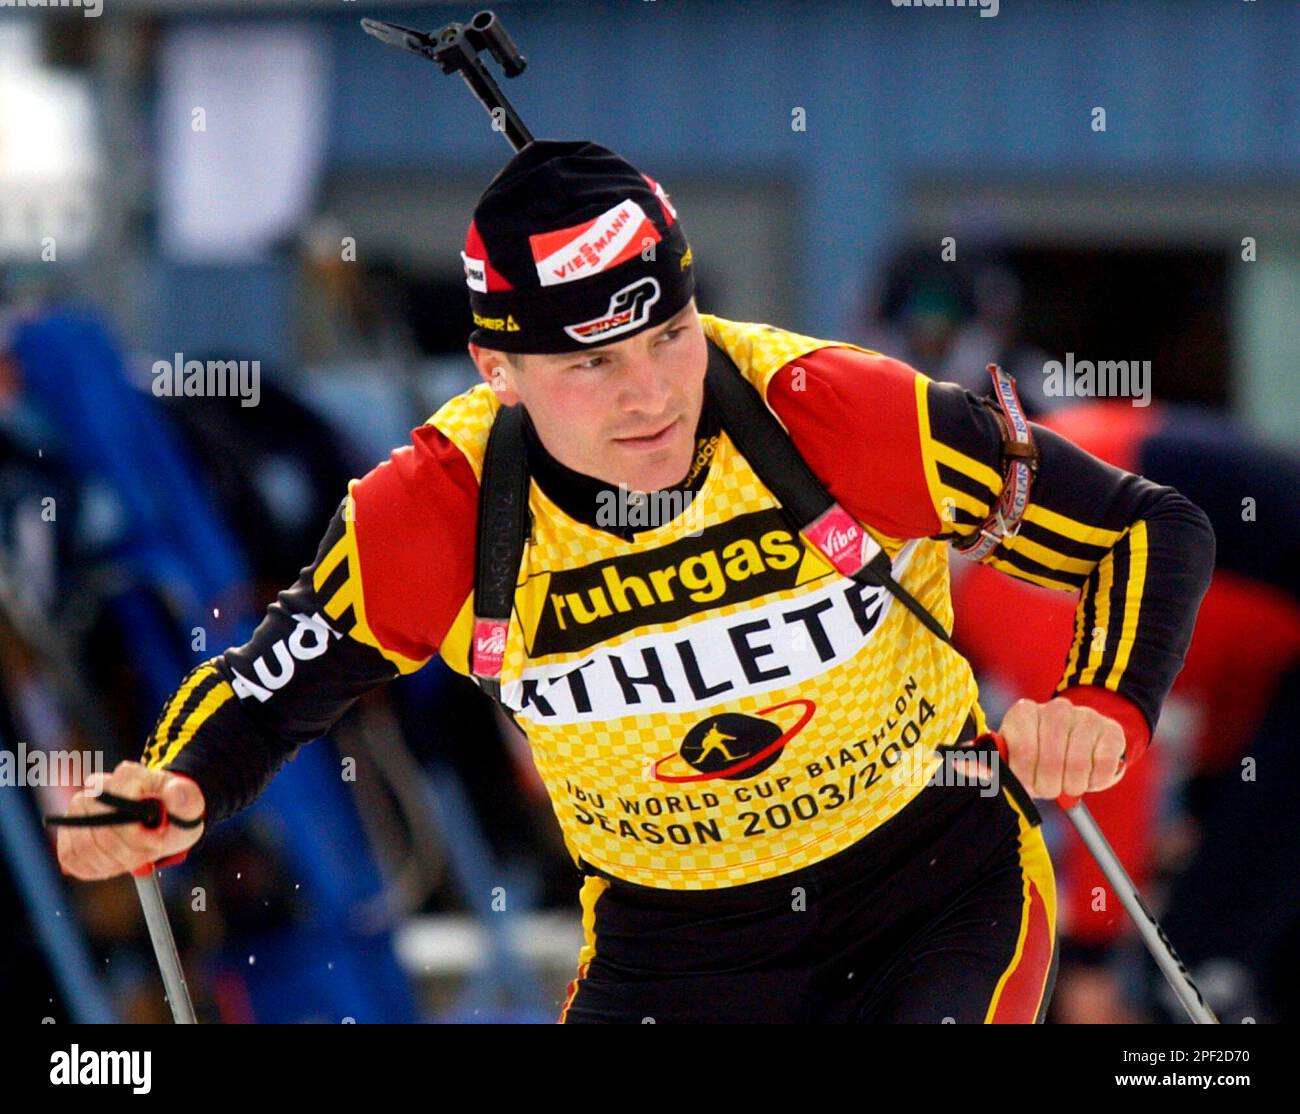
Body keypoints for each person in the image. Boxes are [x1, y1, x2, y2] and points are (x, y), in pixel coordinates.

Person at [54, 140, 1215, 1024]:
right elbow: (266, 689)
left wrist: (1105, 699)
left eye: (669, 332)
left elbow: (1145, 529)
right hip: (672, 947)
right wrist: (172, 793)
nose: (652, 393)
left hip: (928, 895)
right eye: (593, 364)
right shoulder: (438, 511)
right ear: (496, 369)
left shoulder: (827, 411)